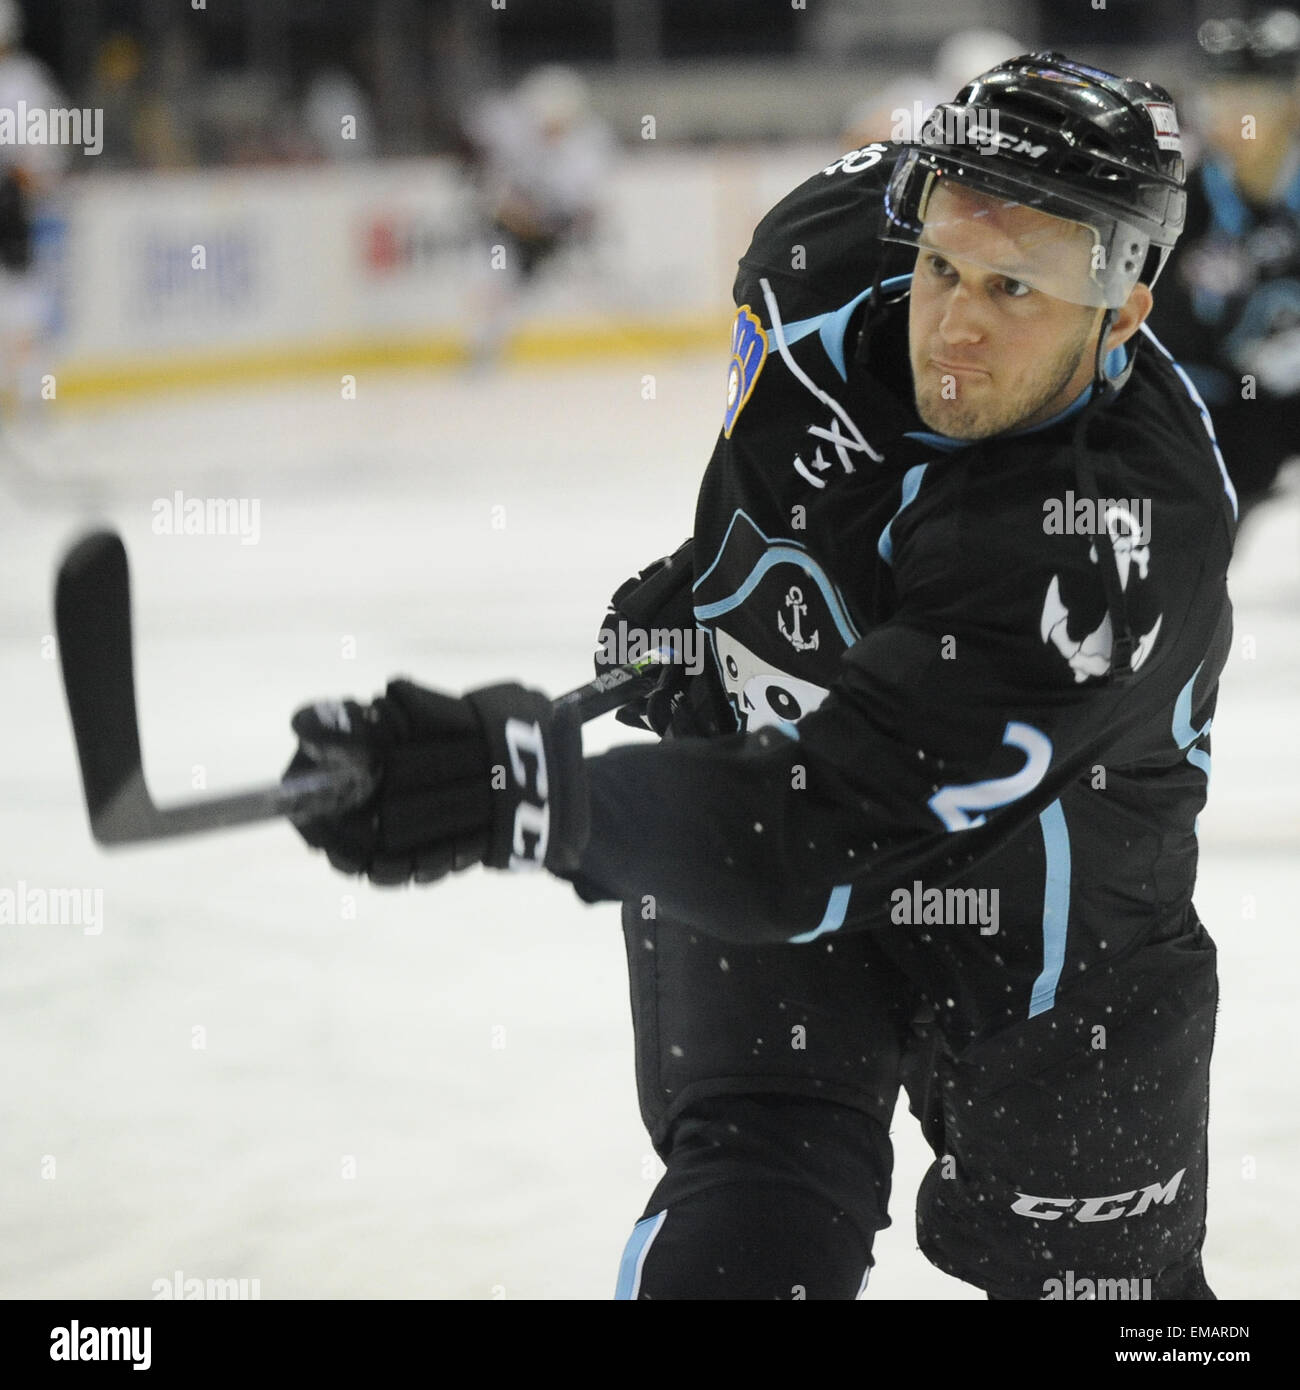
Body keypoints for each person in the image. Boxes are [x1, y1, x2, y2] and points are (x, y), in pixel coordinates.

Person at [286, 53, 1236, 1300]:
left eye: (1016, 289)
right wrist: (702, 596)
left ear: (1122, 307)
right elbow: (774, 486)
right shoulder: (817, 258)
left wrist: (524, 787)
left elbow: (813, 829)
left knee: (1104, 1294)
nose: (954, 324)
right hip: (766, 780)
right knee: (757, 1198)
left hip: (1056, 909)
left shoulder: (1113, 542)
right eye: (943, 265)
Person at [1148, 6, 1300, 521]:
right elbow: (1163, 339)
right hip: (1228, 434)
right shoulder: (1179, 204)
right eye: (1220, 93)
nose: (1233, 111)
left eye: (1255, 94)